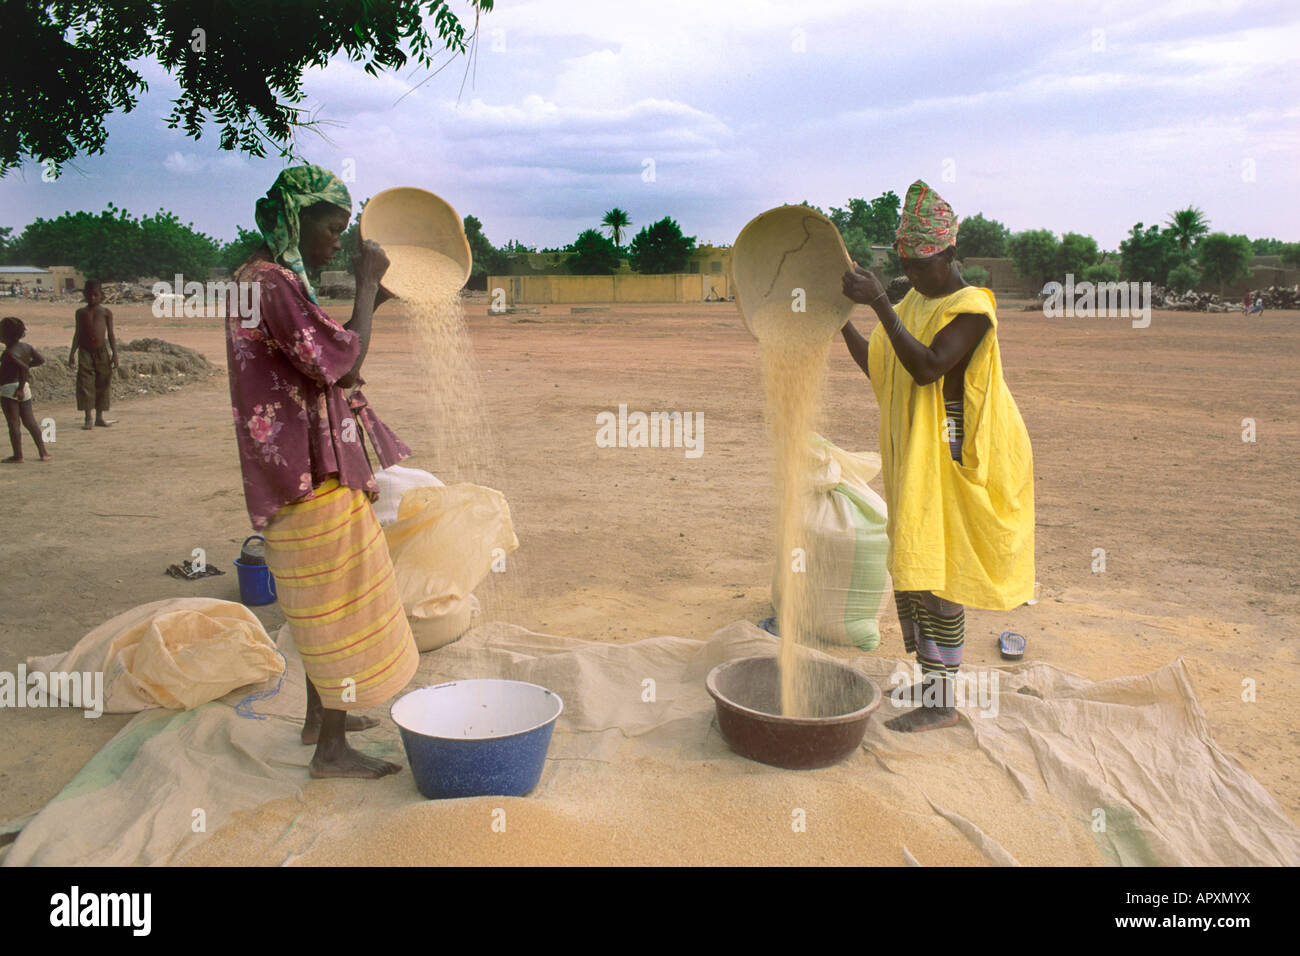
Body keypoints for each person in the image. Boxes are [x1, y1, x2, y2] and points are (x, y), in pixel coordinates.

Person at [227, 164, 417, 779]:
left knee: (312, 597)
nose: (337, 241)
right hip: (309, 471)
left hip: (289, 463)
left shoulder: (258, 278)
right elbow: (339, 363)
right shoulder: (272, 282)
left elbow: (324, 355)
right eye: (333, 228)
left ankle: (318, 717)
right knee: (337, 601)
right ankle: (331, 750)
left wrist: (371, 304)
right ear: (298, 215)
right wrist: (366, 288)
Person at [839, 180, 1034, 732]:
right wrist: (840, 322)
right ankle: (930, 685)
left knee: (942, 582)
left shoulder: (970, 308)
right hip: (919, 464)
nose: (914, 274)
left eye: (922, 264)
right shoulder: (914, 303)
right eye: (906, 264)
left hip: (956, 460)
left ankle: (943, 703)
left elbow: (926, 367)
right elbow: (883, 362)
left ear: (948, 254)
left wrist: (879, 301)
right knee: (919, 574)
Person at [1, 316, 52, 463]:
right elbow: (40, 360)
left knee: (14, 424)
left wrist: (20, 387)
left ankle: (18, 455)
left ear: (6, 335)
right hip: (24, 388)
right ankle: (43, 452)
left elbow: (22, 368)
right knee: (30, 422)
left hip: (10, 389)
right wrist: (24, 380)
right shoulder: (26, 347)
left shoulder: (8, 353)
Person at [68, 279, 117, 428]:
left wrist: (115, 354)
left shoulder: (106, 312)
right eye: (89, 295)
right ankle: (88, 418)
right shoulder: (80, 313)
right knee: (85, 384)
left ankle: (99, 417)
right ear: (84, 295)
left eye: (95, 295)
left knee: (103, 382)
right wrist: (72, 353)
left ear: (101, 295)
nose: (92, 298)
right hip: (85, 351)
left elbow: (111, 335)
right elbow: (77, 333)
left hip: (102, 351)